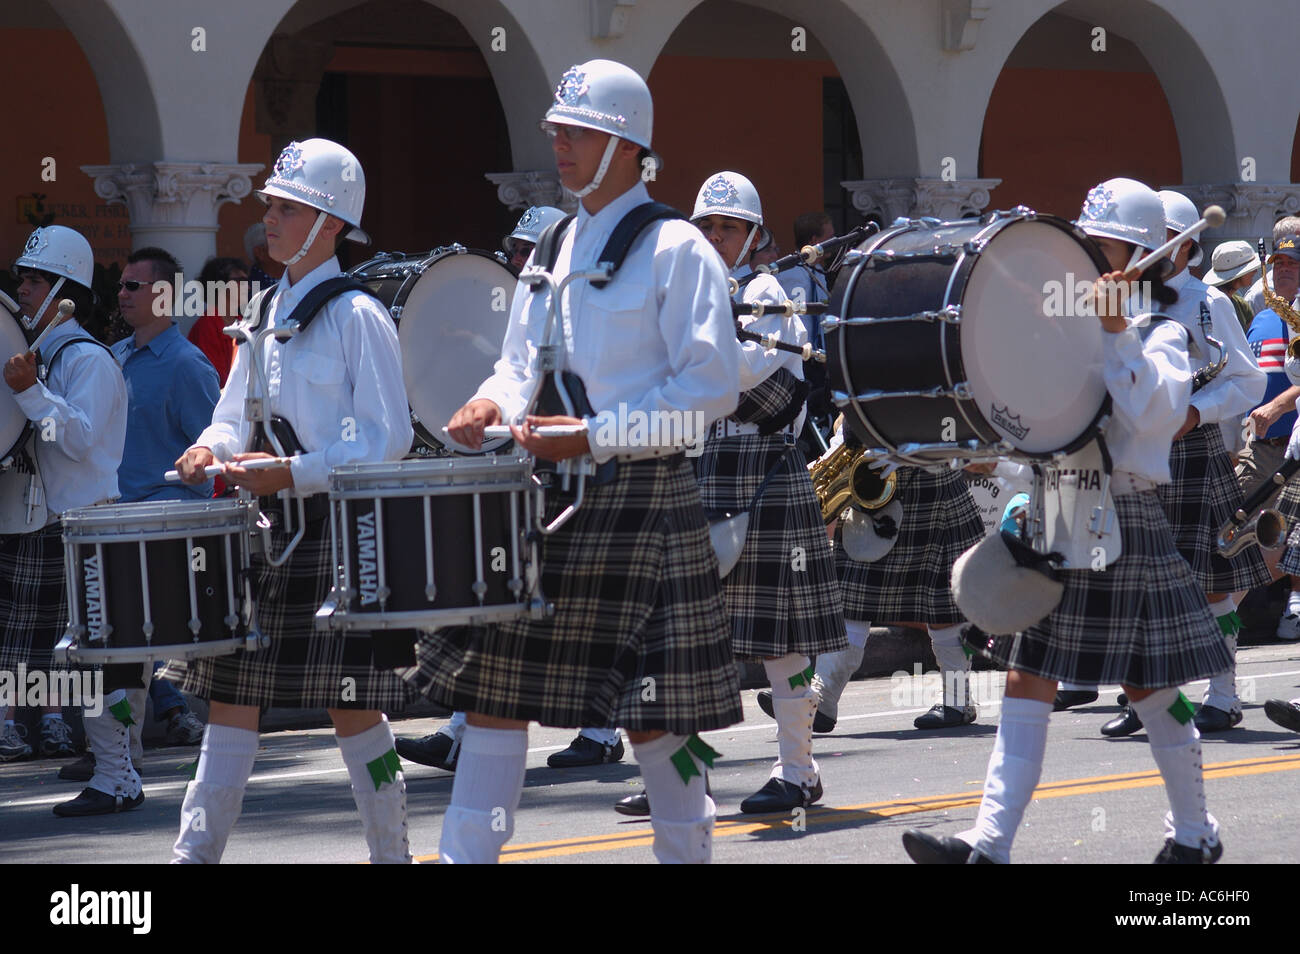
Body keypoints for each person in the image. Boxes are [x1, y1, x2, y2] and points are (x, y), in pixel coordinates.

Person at [409, 58, 743, 864]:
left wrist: (596, 437)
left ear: (627, 145)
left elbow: (712, 389)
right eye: (557, 130)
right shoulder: (552, 243)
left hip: (639, 497)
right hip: (543, 497)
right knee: (492, 701)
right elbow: (520, 362)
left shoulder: (677, 247)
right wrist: (493, 401)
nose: (559, 144)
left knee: (654, 716)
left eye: (578, 132)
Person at [903, 178, 1230, 864]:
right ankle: (989, 844)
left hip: (1122, 515)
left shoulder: (1163, 330)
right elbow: (1040, 421)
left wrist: (1116, 334)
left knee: (1149, 686)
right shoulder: (1061, 324)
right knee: (1030, 677)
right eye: (1082, 239)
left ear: (1142, 256)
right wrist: (1015, 477)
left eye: (1100, 243)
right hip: (1059, 509)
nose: (1083, 254)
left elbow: (1157, 416)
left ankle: (1195, 834)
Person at [167, 138, 415, 863]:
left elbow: (387, 438)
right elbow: (231, 409)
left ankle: (390, 852)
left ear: (330, 221)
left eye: (286, 207)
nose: (268, 219)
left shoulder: (357, 315)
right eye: (270, 206)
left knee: (352, 704)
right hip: (267, 528)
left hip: (337, 531)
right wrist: (209, 448)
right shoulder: (266, 305)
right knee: (230, 703)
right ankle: (193, 854)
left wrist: (294, 472)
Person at [615, 172, 845, 817]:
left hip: (765, 472)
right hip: (701, 470)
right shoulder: (688, 292)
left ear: (753, 234)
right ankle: (686, 774)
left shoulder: (768, 289)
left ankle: (799, 773)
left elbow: (739, 370)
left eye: (731, 227)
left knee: (780, 642)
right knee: (683, 635)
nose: (717, 238)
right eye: (709, 227)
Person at [1096, 191, 1267, 737]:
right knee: (1136, 582)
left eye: (1166, 239)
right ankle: (1146, 697)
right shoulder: (1124, 298)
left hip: (1190, 451)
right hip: (1132, 452)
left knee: (1212, 582)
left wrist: (1196, 411)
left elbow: (1250, 380)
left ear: (1187, 244)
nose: (1153, 249)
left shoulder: (1205, 301)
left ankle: (1224, 695)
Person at [0, 225, 132, 812]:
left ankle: (116, 775)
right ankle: (113, 770)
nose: (21, 289)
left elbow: (74, 439)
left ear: (63, 290)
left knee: (94, 654)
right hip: (52, 523)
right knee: (78, 654)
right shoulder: (43, 351)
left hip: (90, 524)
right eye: (22, 279)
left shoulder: (87, 360)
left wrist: (31, 393)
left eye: (32, 280)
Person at [1245, 237, 1300, 640]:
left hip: (1290, 445)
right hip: (1264, 446)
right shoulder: (1261, 315)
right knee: (1249, 527)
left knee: (1286, 534)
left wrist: (1279, 406)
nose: (1283, 269)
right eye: (1277, 262)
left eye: (1292, 263)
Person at [187, 256, 252, 388]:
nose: (249, 286)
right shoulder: (207, 325)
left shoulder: (243, 322)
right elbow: (213, 378)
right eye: (240, 280)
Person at [1204, 240, 1262, 335]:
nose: (1255, 271)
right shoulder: (1209, 304)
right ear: (1237, 274)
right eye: (1250, 268)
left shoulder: (1241, 305)